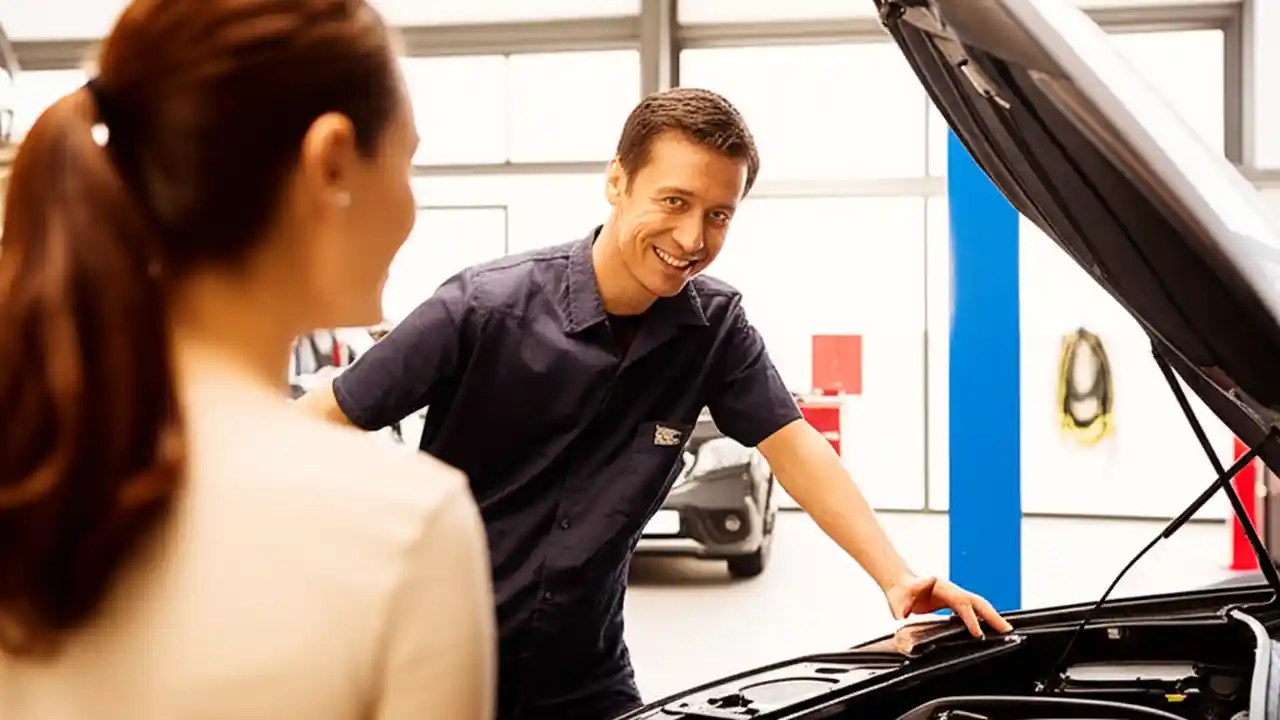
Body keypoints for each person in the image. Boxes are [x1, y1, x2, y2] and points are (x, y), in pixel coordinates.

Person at [296, 86, 1014, 719]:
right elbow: (320, 419)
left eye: (719, 215)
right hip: (439, 670)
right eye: (673, 202)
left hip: (586, 677)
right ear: (617, 181)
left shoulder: (713, 329)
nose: (692, 239)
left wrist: (897, 576)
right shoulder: (483, 308)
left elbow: (793, 446)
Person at [0, 1, 494, 719]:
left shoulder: (29, 460)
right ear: (330, 163)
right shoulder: (409, 527)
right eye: (407, 158)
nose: (411, 202)